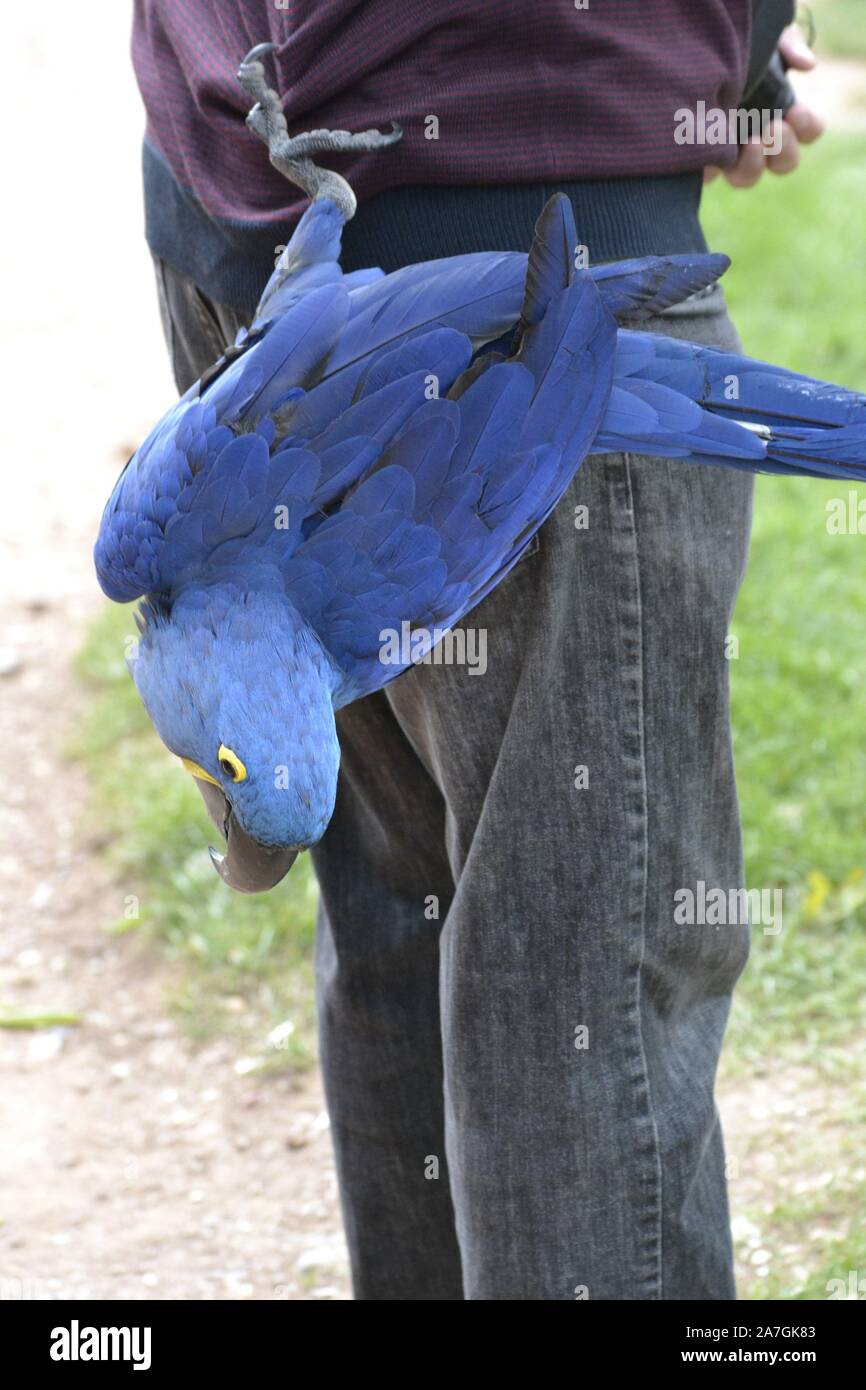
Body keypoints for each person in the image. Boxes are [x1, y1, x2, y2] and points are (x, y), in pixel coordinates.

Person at [131, 0, 824, 1300]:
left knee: (411, 910)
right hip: (518, 231)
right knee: (576, 992)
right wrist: (708, 58)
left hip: (241, 181)